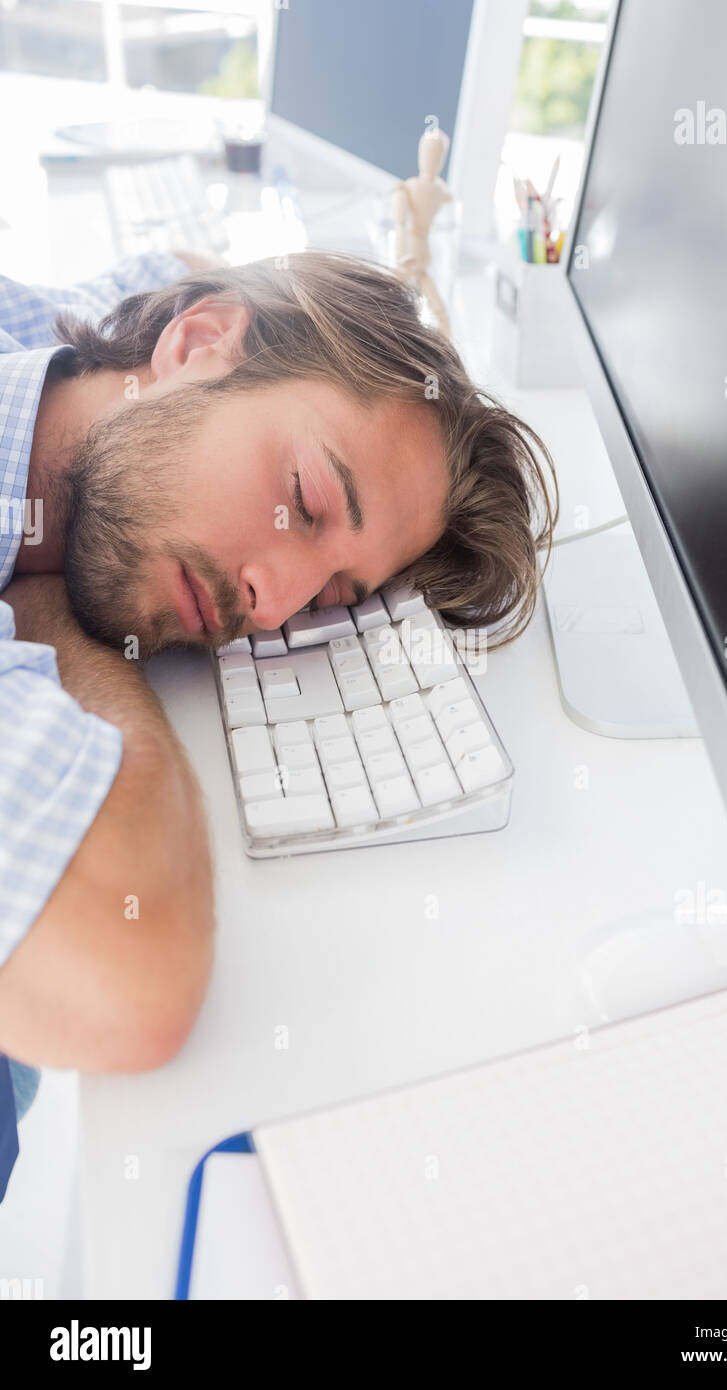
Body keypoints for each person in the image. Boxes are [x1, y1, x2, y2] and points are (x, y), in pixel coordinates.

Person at [0, 247, 558, 1136]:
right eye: (304, 501)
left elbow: (170, 263)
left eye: (334, 592)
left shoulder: (91, 358)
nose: (272, 607)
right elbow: (130, 989)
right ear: (199, 339)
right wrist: (49, 607)